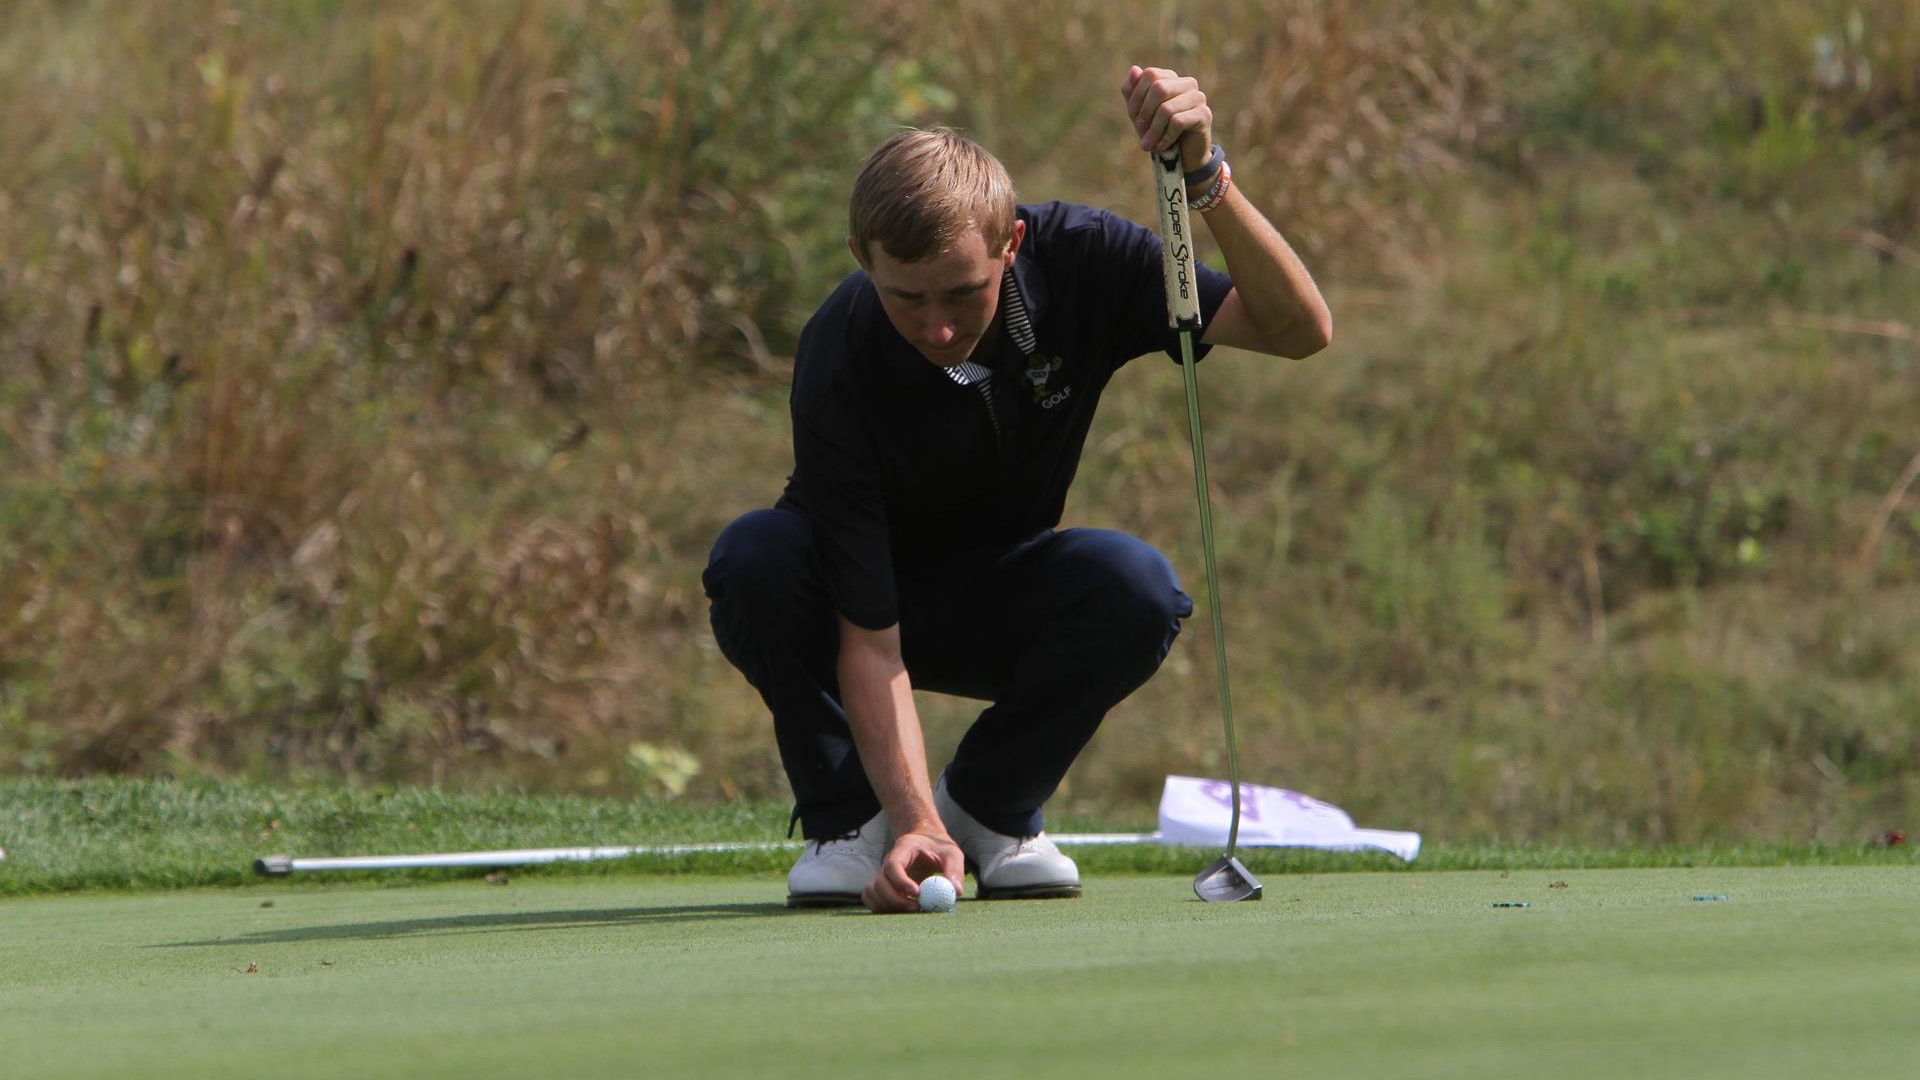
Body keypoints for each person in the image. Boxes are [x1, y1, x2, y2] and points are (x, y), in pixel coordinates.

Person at [702, 66, 1332, 913]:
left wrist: (1205, 177)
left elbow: (1300, 332)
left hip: (999, 592)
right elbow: (873, 642)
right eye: (908, 298)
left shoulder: (1089, 262)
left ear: (1013, 244)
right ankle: (853, 826)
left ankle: (989, 811)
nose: (940, 327)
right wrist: (906, 814)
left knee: (1135, 588)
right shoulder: (839, 349)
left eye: (964, 292)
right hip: (851, 603)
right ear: (863, 260)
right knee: (755, 558)